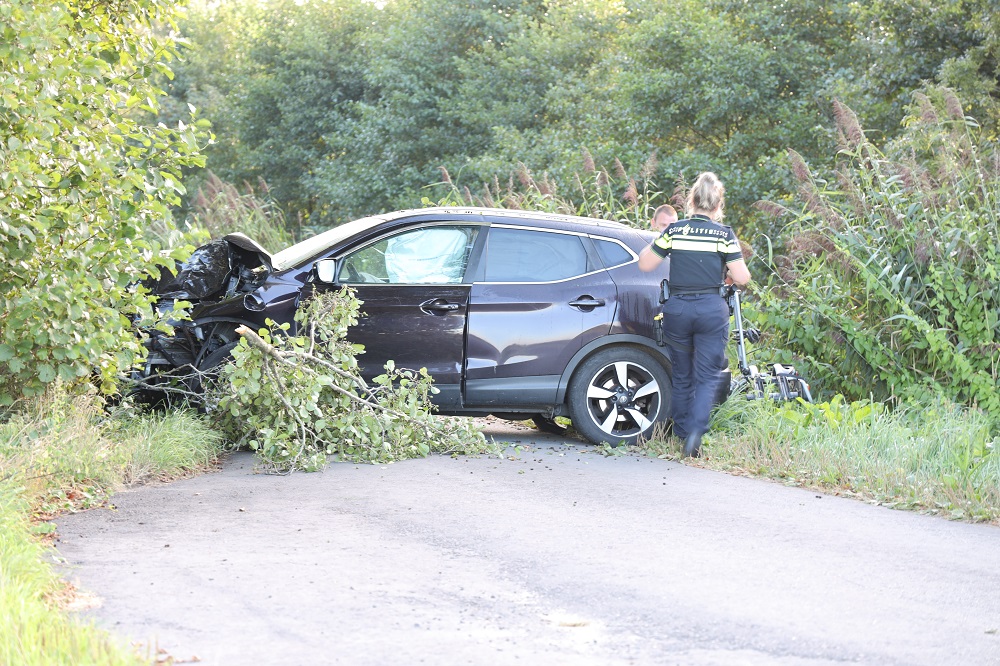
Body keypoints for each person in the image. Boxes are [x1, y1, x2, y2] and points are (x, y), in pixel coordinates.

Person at [638, 172, 750, 457]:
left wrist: (661, 239)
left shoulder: (676, 230)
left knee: (682, 374)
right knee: (707, 375)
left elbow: (645, 264)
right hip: (711, 311)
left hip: (678, 308)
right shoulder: (724, 234)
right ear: (717, 205)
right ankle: (696, 433)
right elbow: (742, 277)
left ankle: (682, 433)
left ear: (691, 201)